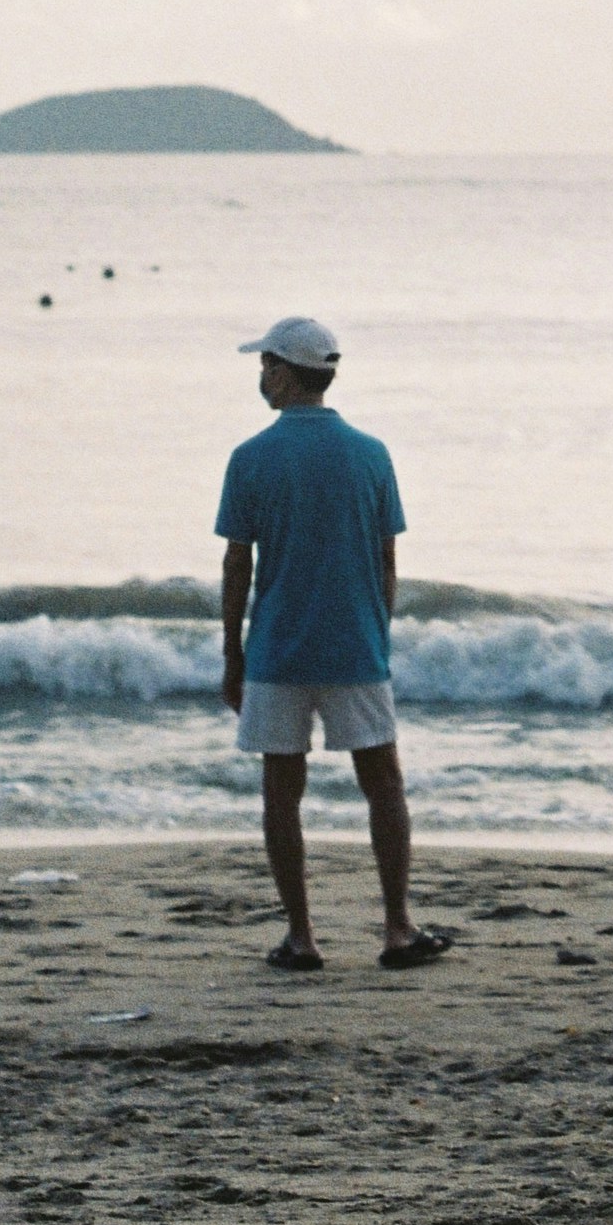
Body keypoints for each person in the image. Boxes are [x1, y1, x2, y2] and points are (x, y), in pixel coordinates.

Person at [216, 315, 451, 977]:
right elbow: (385, 561)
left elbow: (239, 566)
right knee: (383, 783)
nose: (260, 375)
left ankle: (301, 935)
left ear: (287, 372)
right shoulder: (371, 453)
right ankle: (398, 926)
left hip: (279, 650)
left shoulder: (251, 457)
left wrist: (232, 653)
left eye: (264, 364)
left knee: (281, 790)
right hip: (353, 644)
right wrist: (378, 634)